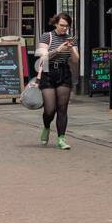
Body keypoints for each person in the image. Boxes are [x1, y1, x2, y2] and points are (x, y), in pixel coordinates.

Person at [34, 13, 78, 150]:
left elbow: (76, 60)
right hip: (48, 73)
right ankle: (47, 127)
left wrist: (71, 49)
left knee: (62, 109)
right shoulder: (47, 36)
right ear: (55, 24)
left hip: (64, 73)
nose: (64, 28)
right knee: (49, 109)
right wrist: (58, 50)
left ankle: (61, 139)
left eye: (67, 26)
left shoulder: (70, 39)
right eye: (62, 25)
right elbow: (41, 56)